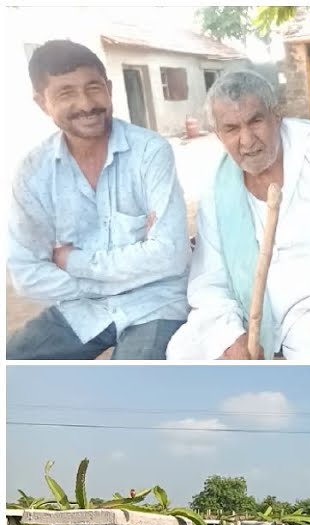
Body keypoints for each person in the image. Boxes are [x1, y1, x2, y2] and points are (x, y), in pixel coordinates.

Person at [166, 69, 310, 360]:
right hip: (244, 307)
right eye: (232, 129)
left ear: (276, 115)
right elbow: (208, 279)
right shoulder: (217, 186)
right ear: (218, 135)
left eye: (255, 121)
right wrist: (229, 336)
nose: (247, 140)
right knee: (182, 352)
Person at [7, 40, 190, 359]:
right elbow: (26, 274)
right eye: (66, 93)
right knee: (12, 366)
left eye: (94, 87)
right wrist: (116, 278)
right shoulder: (33, 173)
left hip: (157, 303)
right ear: (42, 102)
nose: (86, 103)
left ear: (108, 88)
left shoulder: (149, 152)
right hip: (81, 309)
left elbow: (171, 256)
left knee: (129, 391)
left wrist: (73, 262)